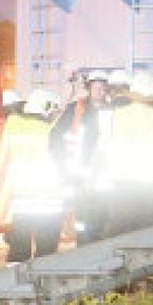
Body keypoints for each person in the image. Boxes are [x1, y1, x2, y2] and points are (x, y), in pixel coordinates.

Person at [104, 72, 153, 232]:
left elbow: (102, 152)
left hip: (122, 186)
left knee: (121, 236)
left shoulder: (114, 116)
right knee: (150, 236)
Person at [49, 70, 110, 243]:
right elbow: (56, 137)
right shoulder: (76, 110)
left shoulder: (112, 110)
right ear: (89, 88)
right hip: (78, 176)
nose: (99, 91)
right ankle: (83, 252)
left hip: (103, 178)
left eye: (102, 87)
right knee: (82, 221)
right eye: (96, 87)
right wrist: (62, 168)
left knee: (101, 221)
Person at [4, 89, 60, 263]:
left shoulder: (10, 126)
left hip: (16, 197)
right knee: (46, 247)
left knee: (18, 246)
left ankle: (12, 282)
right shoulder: (50, 130)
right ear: (47, 108)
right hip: (45, 199)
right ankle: (43, 280)